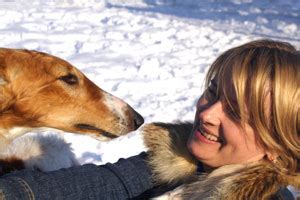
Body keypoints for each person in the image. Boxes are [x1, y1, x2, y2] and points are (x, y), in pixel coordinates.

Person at [0, 39, 298, 199]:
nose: (207, 113)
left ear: (277, 145)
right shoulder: (174, 162)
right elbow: (94, 185)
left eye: (235, 111)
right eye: (213, 91)